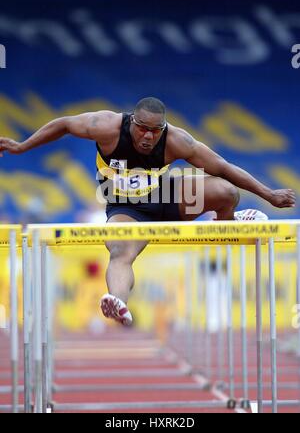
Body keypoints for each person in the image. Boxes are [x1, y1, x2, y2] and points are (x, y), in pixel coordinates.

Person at [0, 97, 296, 326]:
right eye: (142, 128)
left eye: (155, 131)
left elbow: (224, 167)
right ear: (131, 122)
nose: (147, 137)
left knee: (226, 191)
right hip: (126, 208)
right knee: (119, 251)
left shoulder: (177, 141)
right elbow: (63, 124)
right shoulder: (106, 127)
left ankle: (229, 225)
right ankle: (117, 301)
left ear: (163, 129)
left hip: (167, 196)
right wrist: (22, 147)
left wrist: (268, 194)